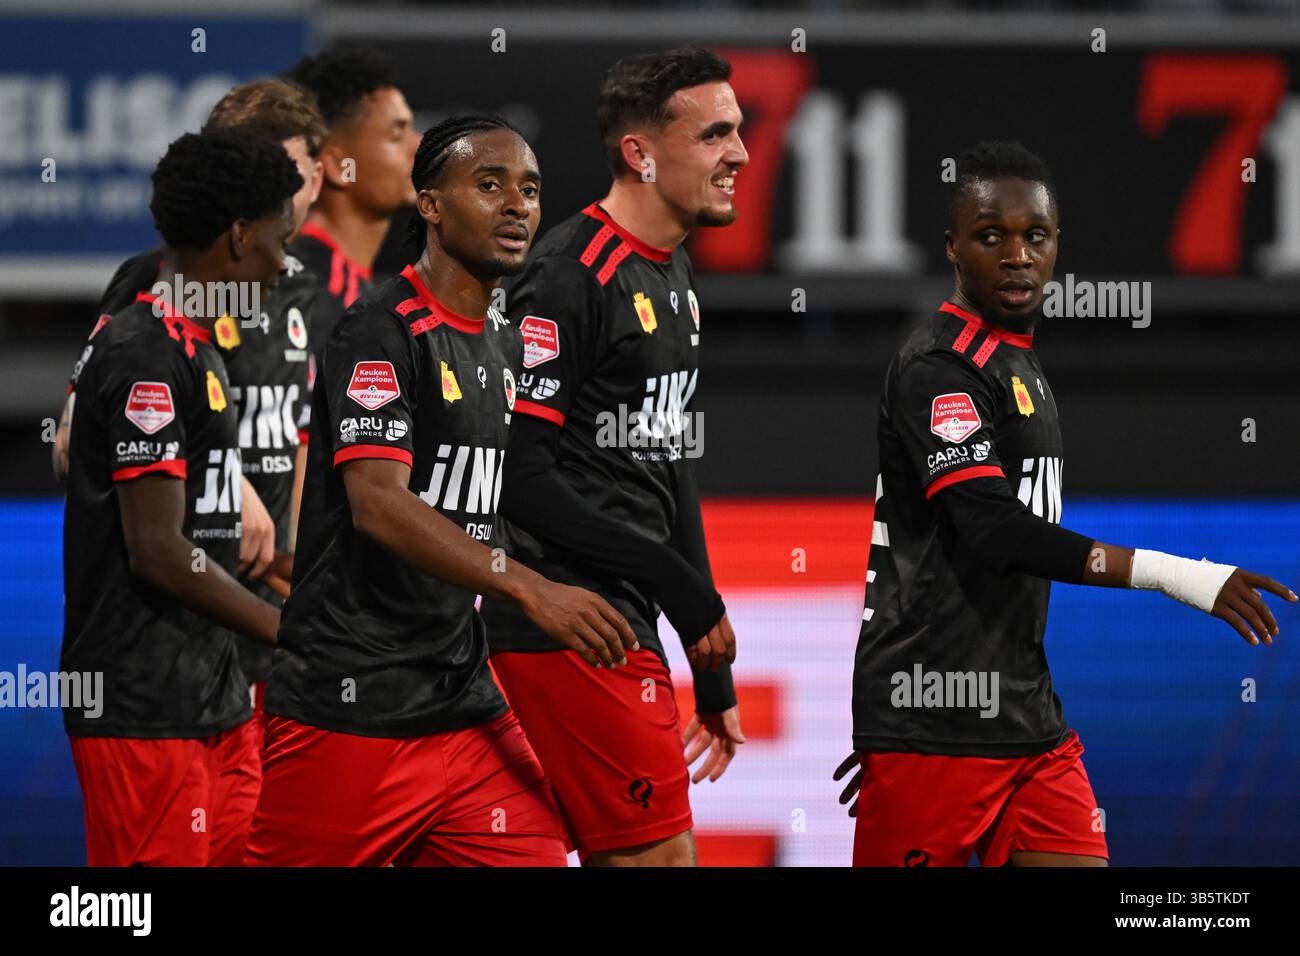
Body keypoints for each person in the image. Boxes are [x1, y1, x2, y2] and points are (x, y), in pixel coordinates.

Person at [836, 140, 1297, 867]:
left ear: (1057, 247)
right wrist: (1184, 576)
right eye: (992, 237)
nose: (1017, 255)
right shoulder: (939, 364)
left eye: (1035, 237)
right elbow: (993, 530)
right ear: (953, 246)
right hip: (937, 719)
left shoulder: (1015, 359)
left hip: (1030, 725)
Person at [246, 116, 638, 867]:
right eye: (489, 185)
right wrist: (530, 589)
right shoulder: (381, 330)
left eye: (529, 190)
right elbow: (379, 503)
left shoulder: (506, 338)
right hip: (352, 703)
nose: (517, 206)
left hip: (461, 703)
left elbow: (508, 492)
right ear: (428, 204)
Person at [480, 46, 748, 866]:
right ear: (639, 153)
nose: (739, 153)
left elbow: (665, 462)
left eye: (737, 133)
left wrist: (710, 659)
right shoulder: (567, 275)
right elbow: (518, 477)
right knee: (656, 859)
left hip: (624, 618)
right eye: (714, 135)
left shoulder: (671, 272)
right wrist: (678, 587)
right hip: (564, 619)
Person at [53, 78, 329, 736]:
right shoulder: (162, 290)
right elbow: (72, 443)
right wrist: (223, 481)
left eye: (282, 172)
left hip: (256, 648)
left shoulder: (302, 290)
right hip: (177, 638)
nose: (268, 189)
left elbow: (294, 439)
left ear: (318, 176)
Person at [60, 129, 301, 865]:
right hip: (141, 709)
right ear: (237, 236)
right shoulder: (144, 355)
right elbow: (160, 552)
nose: (285, 261)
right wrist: (289, 632)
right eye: (278, 239)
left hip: (216, 701)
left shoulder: (201, 344)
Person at [282, 50, 420, 352]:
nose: (419, 145)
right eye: (397, 134)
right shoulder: (304, 293)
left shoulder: (351, 290)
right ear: (336, 165)